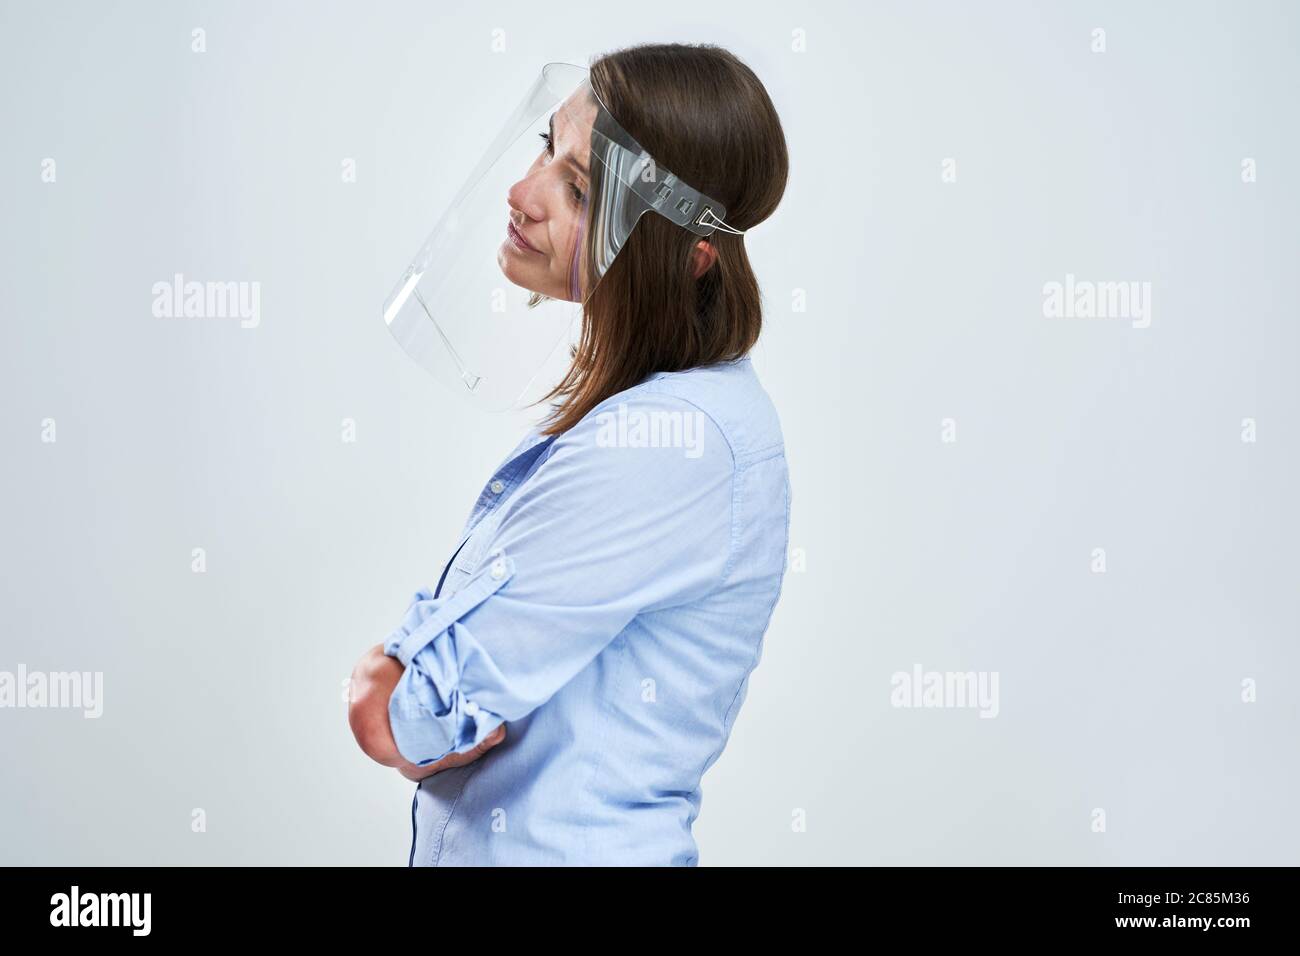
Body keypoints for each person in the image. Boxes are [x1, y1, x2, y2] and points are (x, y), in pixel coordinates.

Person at [349, 41, 791, 866]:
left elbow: (405, 710)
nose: (521, 195)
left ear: (691, 252)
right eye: (548, 148)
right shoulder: (670, 415)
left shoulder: (671, 445)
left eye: (580, 190)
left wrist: (376, 681)